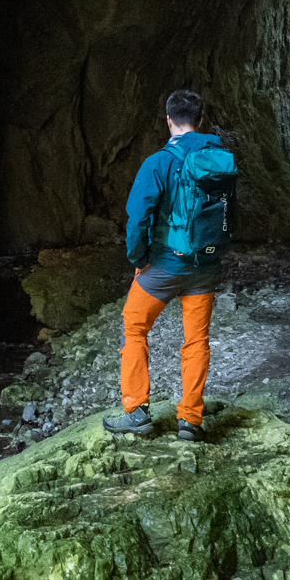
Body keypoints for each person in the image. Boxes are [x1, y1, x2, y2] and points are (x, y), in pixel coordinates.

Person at [103, 89, 222, 441]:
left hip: (164, 268)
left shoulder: (158, 162)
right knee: (197, 340)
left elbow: (137, 218)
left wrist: (139, 261)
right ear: (200, 121)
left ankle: (136, 410)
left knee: (134, 326)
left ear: (168, 120)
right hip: (205, 266)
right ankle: (190, 420)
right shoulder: (219, 159)